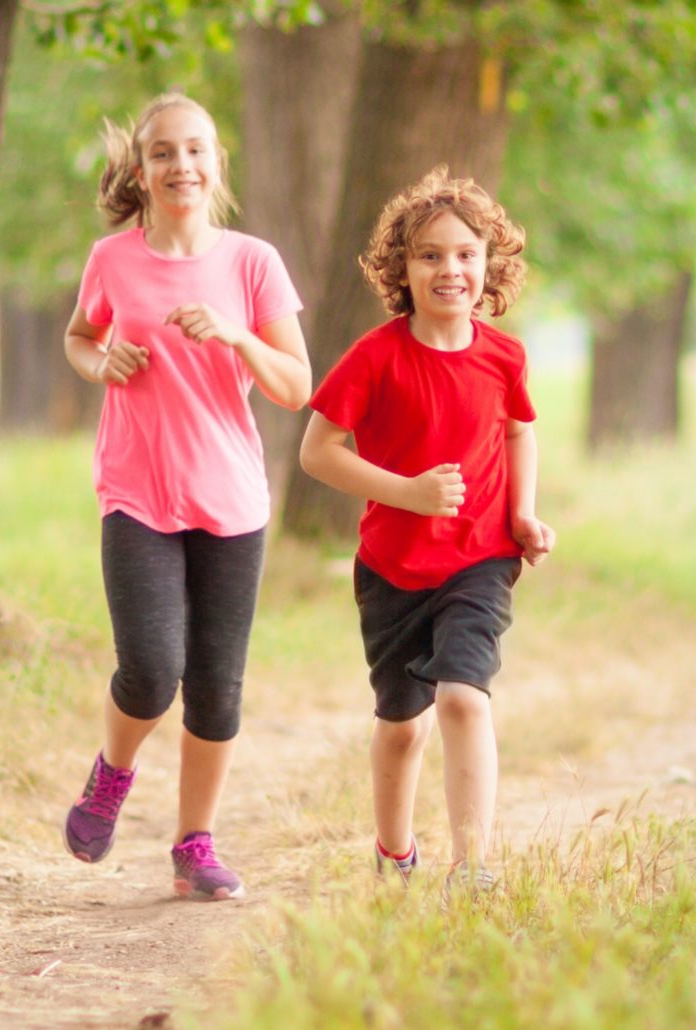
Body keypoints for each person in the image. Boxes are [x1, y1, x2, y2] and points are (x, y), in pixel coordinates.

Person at [61, 92, 310, 902]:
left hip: (231, 498)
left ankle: (194, 844)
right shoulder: (112, 259)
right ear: (142, 170)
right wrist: (102, 363)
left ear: (216, 163)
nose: (182, 165)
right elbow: (81, 337)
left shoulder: (253, 262)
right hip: (137, 491)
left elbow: (296, 386)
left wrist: (236, 335)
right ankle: (112, 774)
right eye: (164, 152)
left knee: (215, 685)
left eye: (196, 149)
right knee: (150, 670)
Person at [298, 167, 555, 888]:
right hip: (392, 568)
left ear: (489, 265)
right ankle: (394, 853)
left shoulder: (504, 355)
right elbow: (317, 453)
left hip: (480, 559)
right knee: (403, 726)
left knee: (463, 699)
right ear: (401, 269)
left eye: (466, 254)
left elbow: (518, 432)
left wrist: (523, 514)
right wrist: (407, 494)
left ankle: (472, 868)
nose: (450, 270)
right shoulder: (374, 356)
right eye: (430, 255)